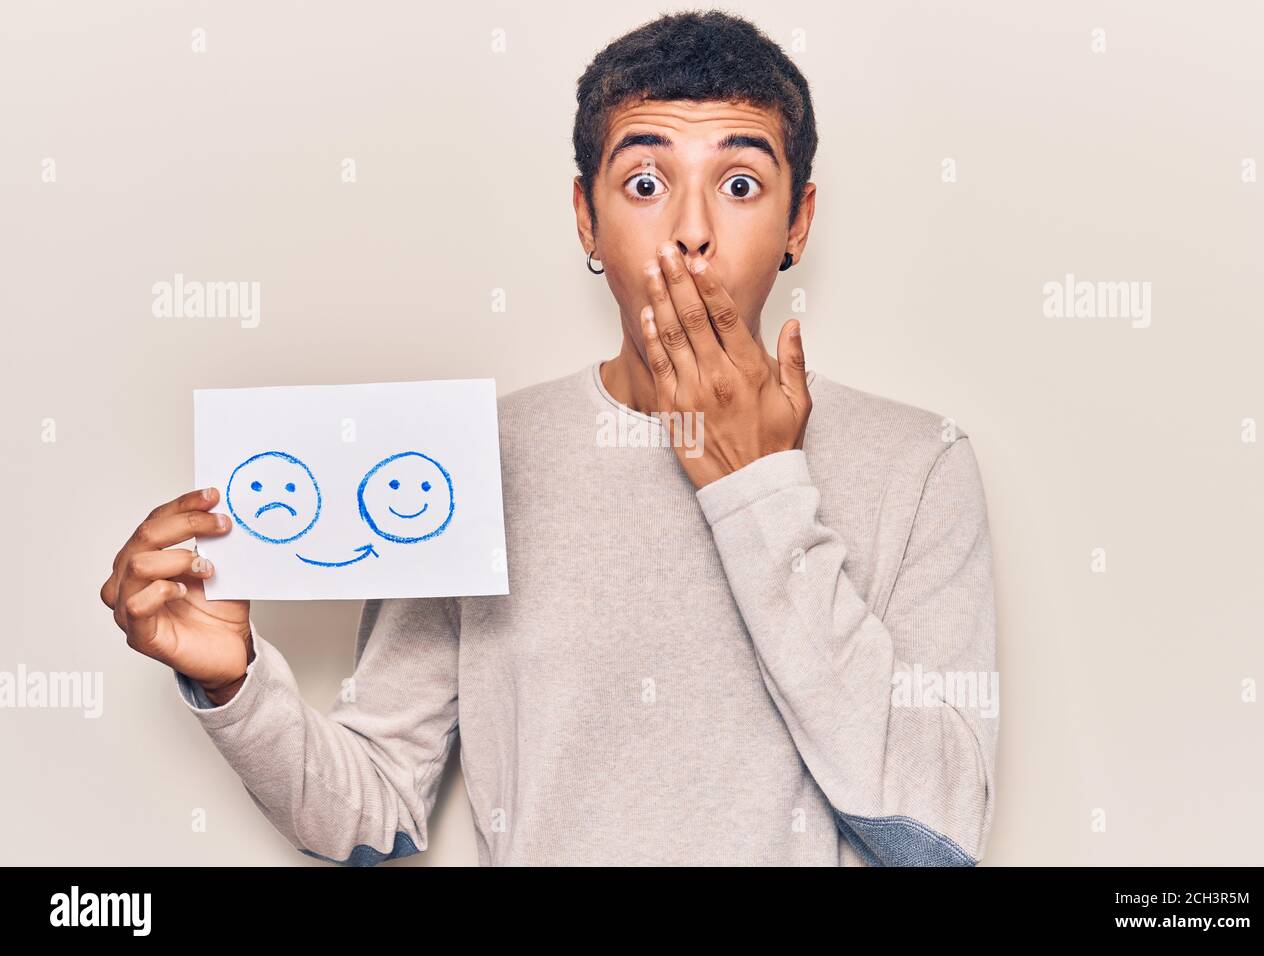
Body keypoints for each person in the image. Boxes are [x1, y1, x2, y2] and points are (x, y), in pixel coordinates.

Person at [100, 10, 998, 866]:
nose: (690, 232)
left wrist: (758, 484)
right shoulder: (473, 458)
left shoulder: (921, 465)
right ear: (586, 218)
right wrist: (234, 684)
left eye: (739, 185)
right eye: (645, 184)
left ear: (797, 222)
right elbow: (372, 810)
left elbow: (934, 835)